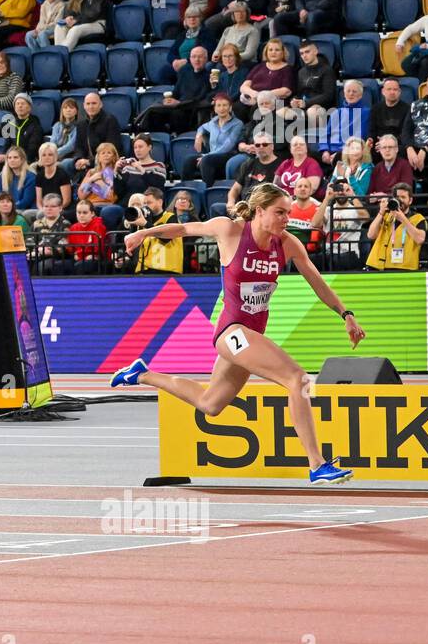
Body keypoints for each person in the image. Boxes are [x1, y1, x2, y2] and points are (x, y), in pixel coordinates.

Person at [113, 183, 364, 483]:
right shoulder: (230, 230)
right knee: (296, 379)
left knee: (211, 404)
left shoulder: (286, 244)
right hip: (232, 331)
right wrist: (144, 233)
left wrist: (345, 314)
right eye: (280, 212)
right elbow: (181, 230)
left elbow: (317, 282)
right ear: (260, 211)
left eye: (287, 213)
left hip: (251, 333)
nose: (287, 218)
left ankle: (141, 374)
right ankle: (317, 464)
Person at [365, 183, 428, 271]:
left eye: (403, 197)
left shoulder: (418, 218)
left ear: (410, 200)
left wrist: (403, 219)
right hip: (378, 266)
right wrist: (381, 213)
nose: (400, 200)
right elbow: (371, 235)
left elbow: (420, 239)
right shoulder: (386, 215)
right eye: (398, 197)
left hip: (404, 268)